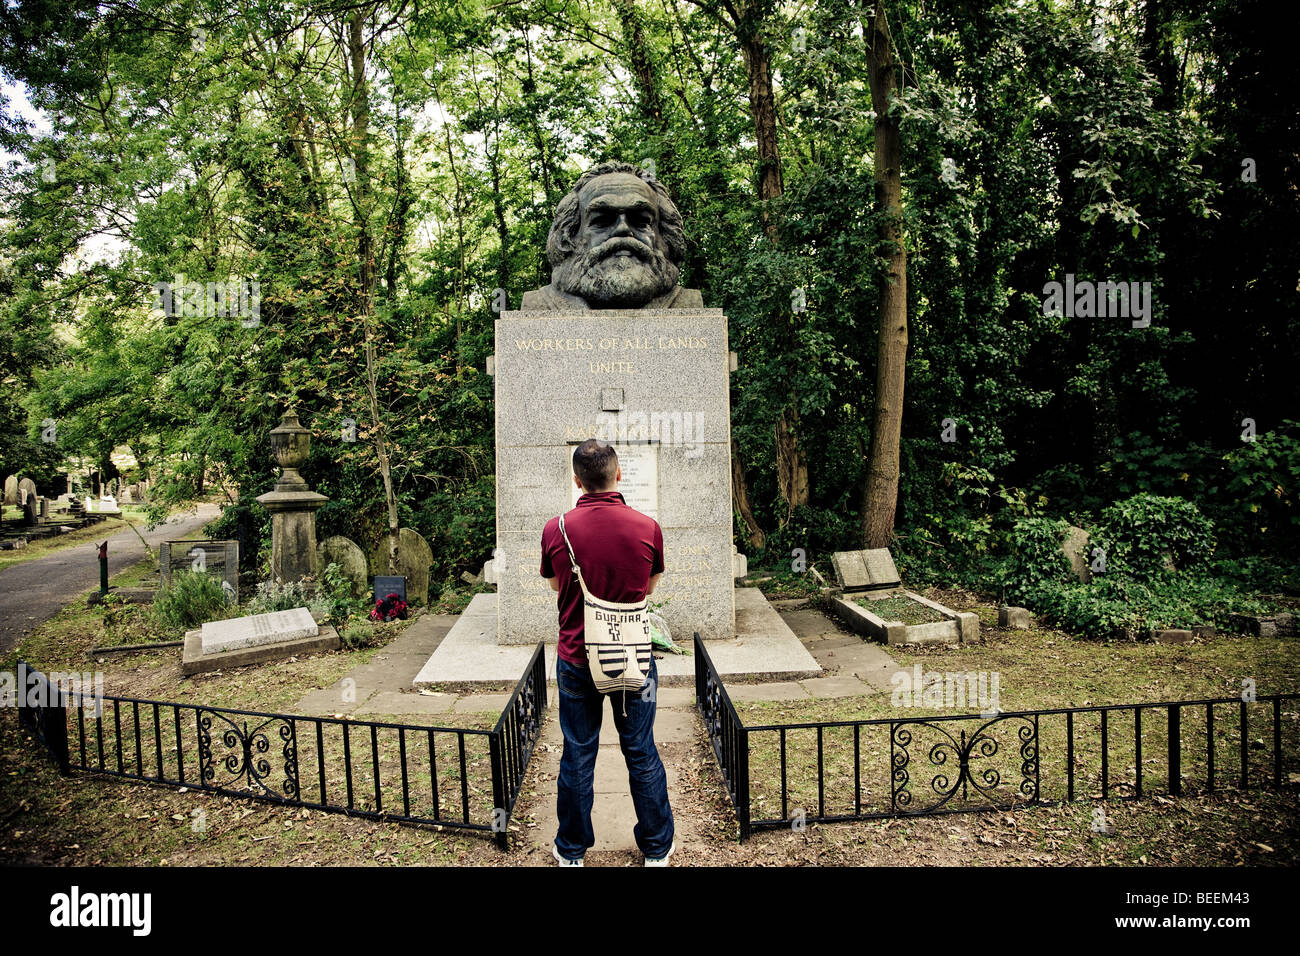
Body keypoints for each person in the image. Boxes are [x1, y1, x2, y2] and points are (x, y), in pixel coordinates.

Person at [539, 438, 676, 866]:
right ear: (619, 475)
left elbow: (557, 587)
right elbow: (649, 588)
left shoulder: (555, 529)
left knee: (578, 751)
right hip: (633, 656)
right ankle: (656, 848)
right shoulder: (646, 527)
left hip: (577, 657)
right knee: (641, 749)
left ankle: (572, 852)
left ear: (577, 480)